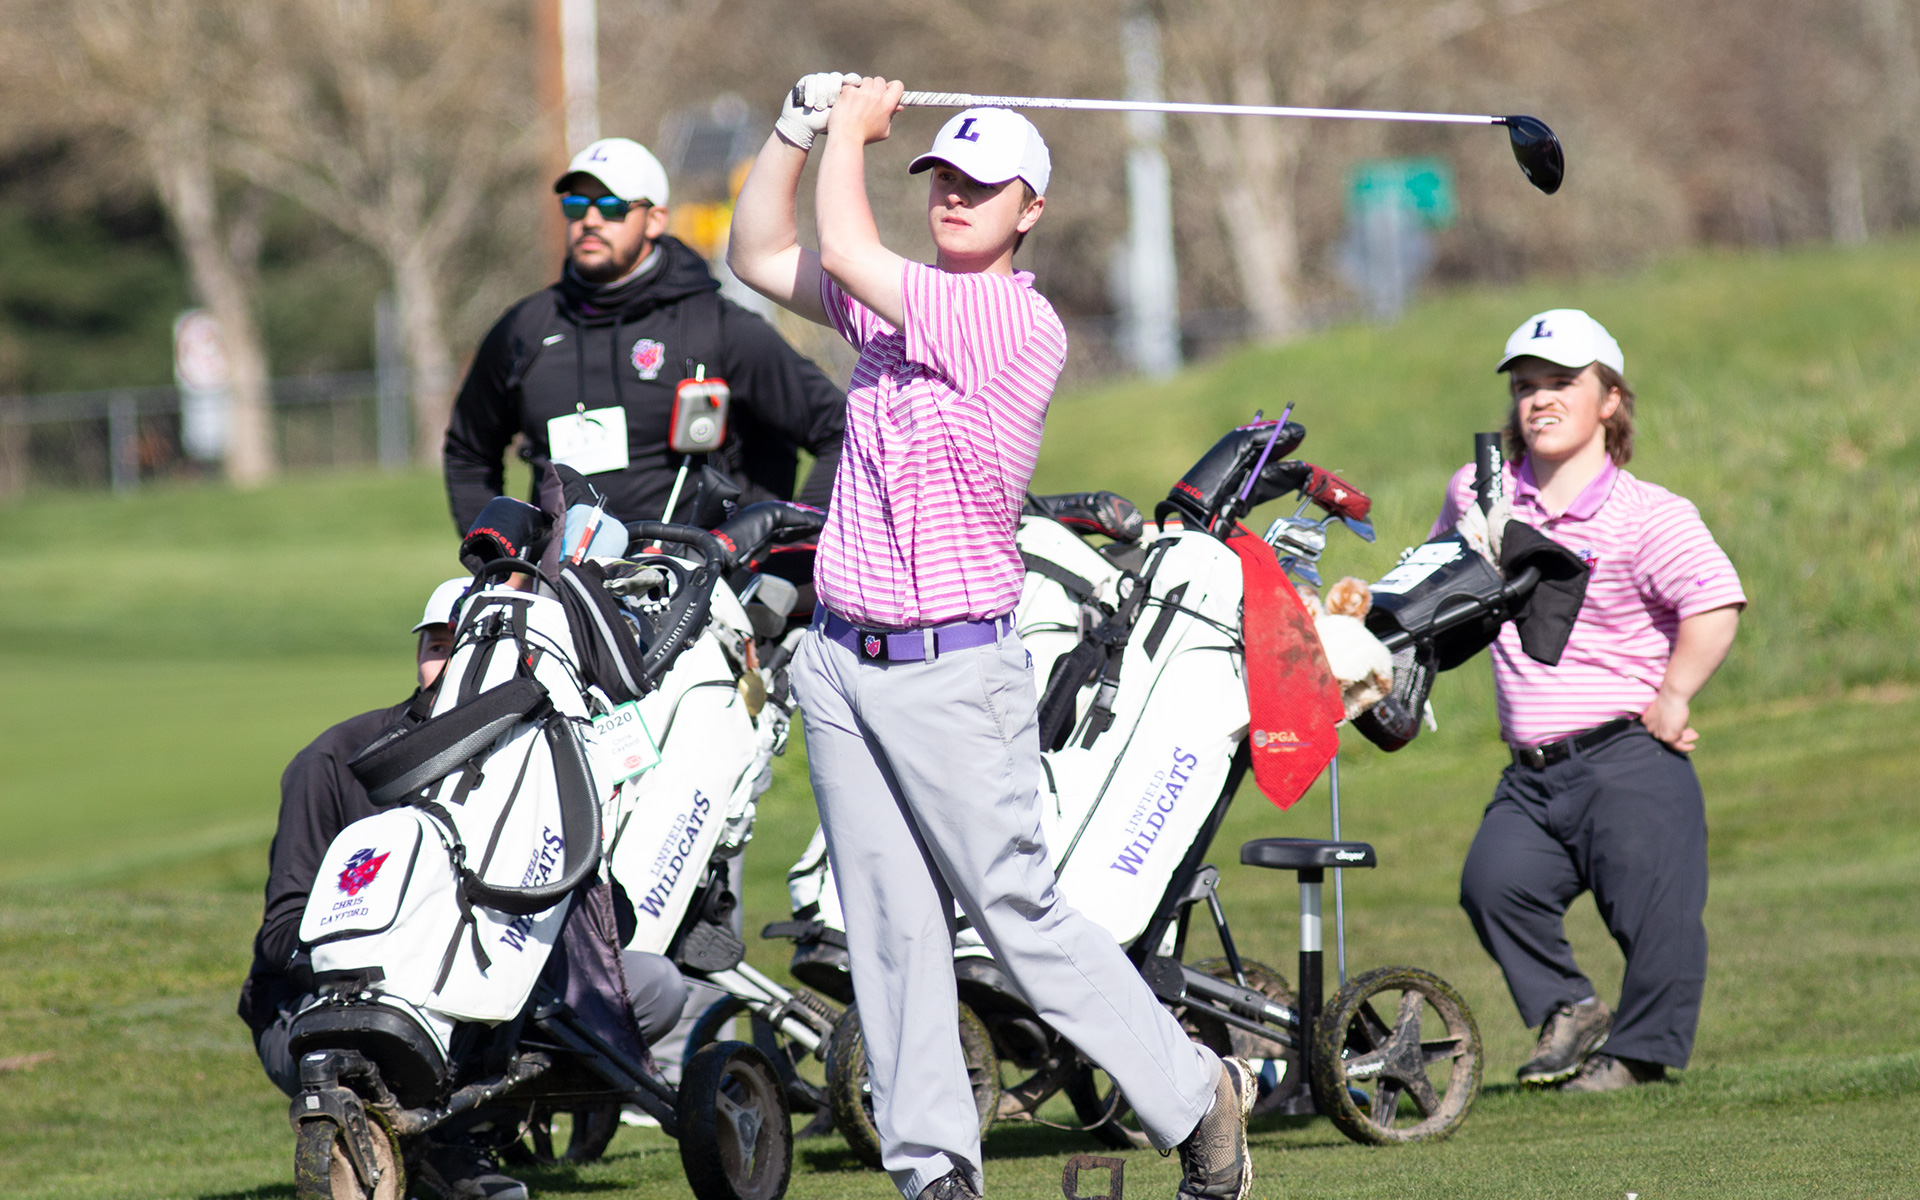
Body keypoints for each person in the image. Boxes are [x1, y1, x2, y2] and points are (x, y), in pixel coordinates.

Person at [727, 75, 1253, 1200]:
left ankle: (1194, 1092)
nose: (955, 196)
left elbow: (843, 242)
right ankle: (934, 1173)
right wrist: (792, 125)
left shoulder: (1014, 320)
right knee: (890, 931)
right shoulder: (896, 298)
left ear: (1030, 212)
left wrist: (853, 142)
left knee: (1013, 916)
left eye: (983, 185)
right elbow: (757, 254)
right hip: (841, 662)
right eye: (942, 179)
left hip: (954, 669)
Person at [237, 577, 688, 1200]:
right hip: (321, 1007)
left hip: (483, 993)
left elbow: (612, 921)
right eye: (436, 645)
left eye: (468, 647)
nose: (447, 664)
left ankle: (474, 1129)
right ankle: (441, 1149)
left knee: (653, 987)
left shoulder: (535, 765)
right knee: (422, 1013)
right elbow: (281, 932)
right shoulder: (335, 761)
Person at [1433, 310, 1745, 1093]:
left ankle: (1637, 1056)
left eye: (1562, 384)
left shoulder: (1650, 514)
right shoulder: (1480, 492)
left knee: (1656, 918)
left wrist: (1674, 696)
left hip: (1628, 756)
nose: (1538, 400)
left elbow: (1714, 602)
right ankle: (1568, 1007)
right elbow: (1438, 584)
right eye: (1526, 386)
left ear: (1609, 400)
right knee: (1494, 884)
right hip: (1531, 773)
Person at [444, 136, 848, 533]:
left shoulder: (716, 327)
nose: (590, 219)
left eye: (612, 207)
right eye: (575, 205)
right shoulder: (524, 330)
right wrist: (498, 555)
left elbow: (842, 430)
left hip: (700, 584)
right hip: (564, 585)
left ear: (655, 219)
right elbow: (468, 453)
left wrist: (785, 543)